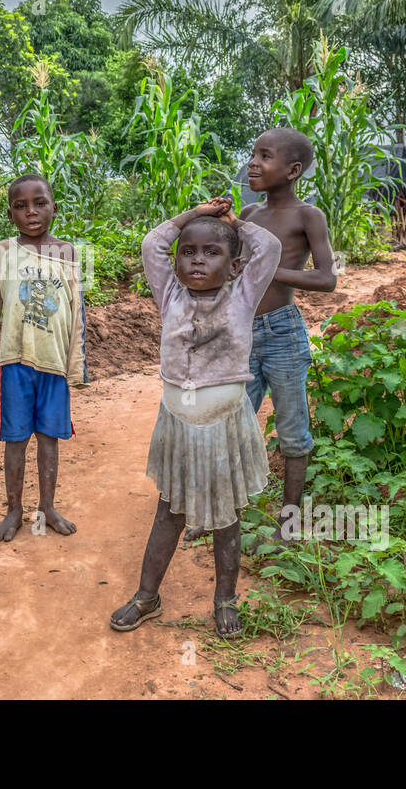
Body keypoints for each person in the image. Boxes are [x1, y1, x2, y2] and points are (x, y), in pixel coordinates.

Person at [110, 198, 280, 639]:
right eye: (188, 251)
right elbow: (153, 244)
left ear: (236, 264)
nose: (198, 260)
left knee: (226, 517)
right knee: (169, 512)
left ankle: (225, 600)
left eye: (212, 252)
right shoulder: (169, 295)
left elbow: (271, 247)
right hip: (178, 424)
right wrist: (189, 215)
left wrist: (233, 221)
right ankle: (147, 597)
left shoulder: (242, 296)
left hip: (225, 423)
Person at [181, 128, 337, 547]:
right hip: (241, 332)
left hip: (283, 331)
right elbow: (227, 262)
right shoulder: (249, 217)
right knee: (227, 425)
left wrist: (263, 270)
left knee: (292, 429)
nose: (253, 162)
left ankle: (288, 522)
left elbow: (325, 278)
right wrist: (223, 221)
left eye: (264, 156)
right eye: (252, 153)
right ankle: (216, 513)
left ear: (292, 170)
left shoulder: (308, 216)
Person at [0, 173, 89, 541]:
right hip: (15, 363)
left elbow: (76, 314)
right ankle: (14, 510)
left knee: (48, 438)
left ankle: (48, 507)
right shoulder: (3, 252)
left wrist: (76, 366)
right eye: (20, 206)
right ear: (11, 215)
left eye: (40, 203)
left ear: (55, 208)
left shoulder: (69, 254)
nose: (31, 212)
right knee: (15, 439)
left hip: (54, 364)